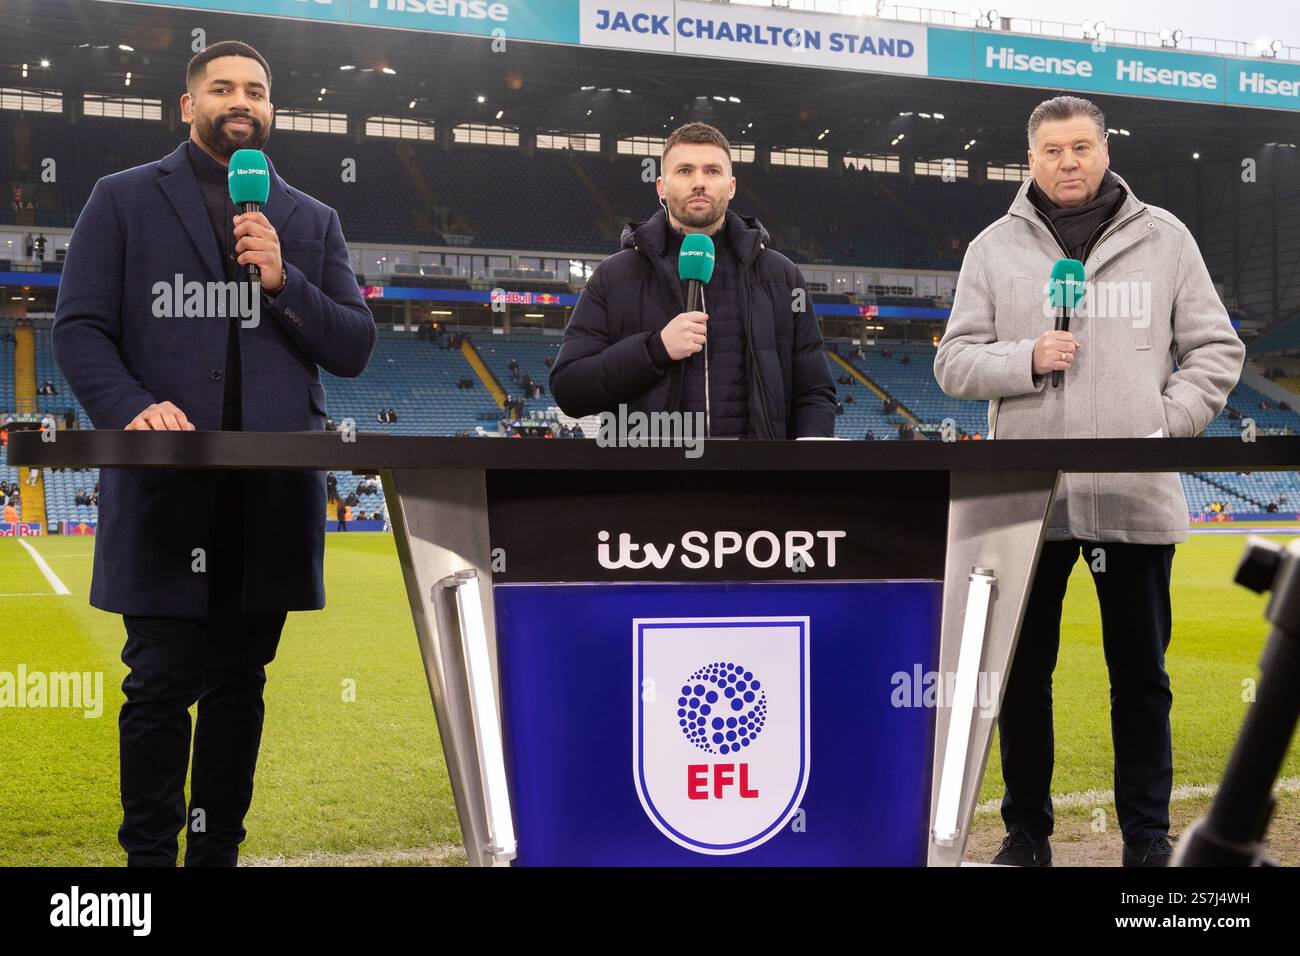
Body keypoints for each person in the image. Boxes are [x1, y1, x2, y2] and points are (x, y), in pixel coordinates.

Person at [52, 40, 375, 867]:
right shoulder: (120, 199)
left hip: (268, 497)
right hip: (167, 489)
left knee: (240, 687)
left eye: (257, 91)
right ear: (187, 104)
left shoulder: (309, 220)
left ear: (272, 109)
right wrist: (131, 408)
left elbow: (352, 347)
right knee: (158, 684)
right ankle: (150, 864)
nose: (242, 100)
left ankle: (217, 854)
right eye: (223, 87)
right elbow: (81, 327)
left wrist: (283, 283)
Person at [934, 95, 1244, 868]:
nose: (1067, 162)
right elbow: (952, 361)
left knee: (1141, 678)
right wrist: (1025, 358)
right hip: (1028, 500)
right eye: (1051, 151)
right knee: (1021, 680)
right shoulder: (992, 248)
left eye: (1080, 147)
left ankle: (1146, 837)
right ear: (1029, 160)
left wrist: (1164, 427)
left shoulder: (1165, 238)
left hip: (1134, 491)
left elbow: (1215, 350)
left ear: (1105, 150)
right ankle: (1026, 833)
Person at [550, 122, 834, 438]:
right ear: (660, 186)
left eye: (712, 171)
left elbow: (814, 391)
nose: (699, 183)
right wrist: (655, 349)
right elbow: (569, 389)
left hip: (754, 484)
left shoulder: (781, 277)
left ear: (731, 186)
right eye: (685, 171)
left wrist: (808, 461)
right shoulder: (613, 276)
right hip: (655, 482)